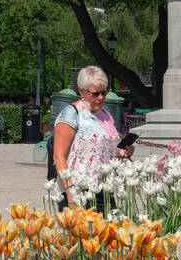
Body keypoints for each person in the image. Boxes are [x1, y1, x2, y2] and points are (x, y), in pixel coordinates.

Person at [52, 66, 135, 211]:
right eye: (95, 93)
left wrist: (123, 152)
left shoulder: (105, 114)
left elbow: (105, 150)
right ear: (81, 92)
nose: (101, 98)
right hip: (79, 190)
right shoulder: (71, 114)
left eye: (104, 92)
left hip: (104, 189)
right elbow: (59, 157)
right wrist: (71, 191)